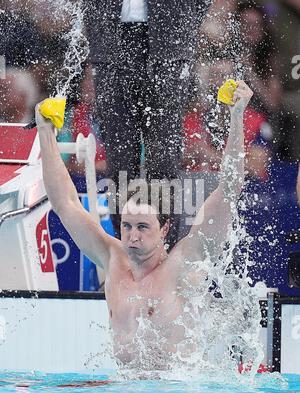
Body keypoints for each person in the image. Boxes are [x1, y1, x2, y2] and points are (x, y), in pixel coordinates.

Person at [36, 80, 253, 372]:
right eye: (126, 226)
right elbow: (65, 203)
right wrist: (45, 131)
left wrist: (236, 118)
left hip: (175, 392)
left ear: (164, 230)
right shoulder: (113, 259)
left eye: (142, 227)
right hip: (124, 388)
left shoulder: (185, 262)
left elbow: (229, 189)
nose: (131, 236)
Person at [83, 0, 213, 243]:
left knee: (163, 160)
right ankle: (128, 251)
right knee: (119, 161)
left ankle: (164, 252)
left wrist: (183, 23)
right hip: (109, 40)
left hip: (169, 41)